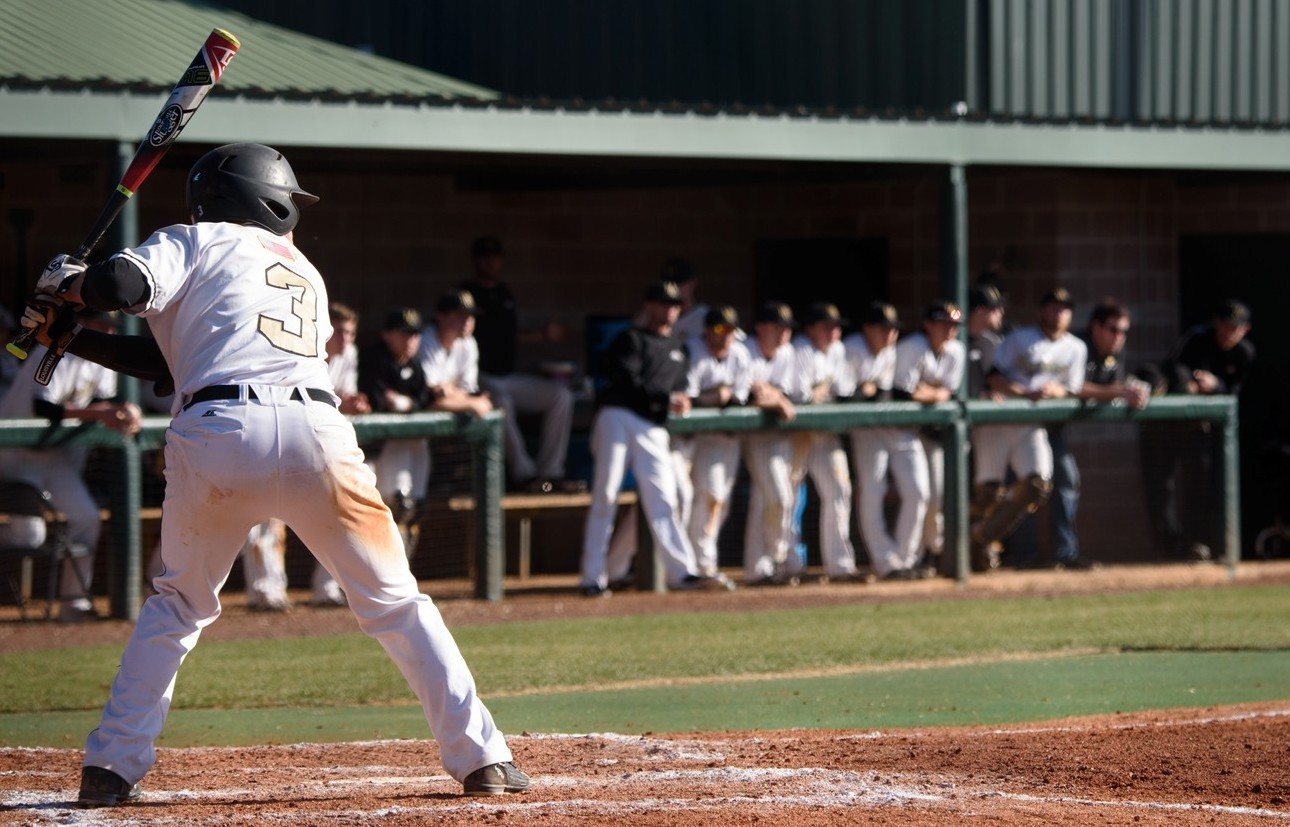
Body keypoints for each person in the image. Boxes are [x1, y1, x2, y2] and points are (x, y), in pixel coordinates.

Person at [19, 143, 526, 805]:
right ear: (267, 197)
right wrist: (71, 336)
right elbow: (176, 359)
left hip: (218, 432)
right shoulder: (304, 270)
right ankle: (483, 758)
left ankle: (110, 766)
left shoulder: (192, 238)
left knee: (178, 604)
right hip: (319, 434)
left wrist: (71, 286)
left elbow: (120, 289)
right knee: (397, 602)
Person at [579, 279, 728, 597]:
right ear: (649, 305)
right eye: (663, 304)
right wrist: (665, 397)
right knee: (606, 494)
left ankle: (681, 572)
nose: (669, 311)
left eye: (675, 305)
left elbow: (681, 390)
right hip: (617, 416)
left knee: (665, 497)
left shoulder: (678, 348)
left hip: (652, 425)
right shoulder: (630, 339)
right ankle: (592, 577)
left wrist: (682, 400)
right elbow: (626, 381)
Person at [0, 308, 142, 622]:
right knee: (29, 536)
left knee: (86, 517)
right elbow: (44, 407)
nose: (108, 333)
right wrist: (102, 413)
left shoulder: (102, 361)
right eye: (100, 326)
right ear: (82, 324)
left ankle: (73, 603)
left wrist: (121, 409)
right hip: (14, 453)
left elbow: (97, 403)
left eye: (111, 328)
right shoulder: (54, 350)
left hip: (51, 457)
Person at [972, 288, 1087, 570]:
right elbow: (994, 377)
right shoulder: (1017, 339)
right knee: (988, 492)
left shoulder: (1075, 347)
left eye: (1064, 308)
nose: (1058, 313)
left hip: (1030, 423)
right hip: (998, 420)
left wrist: (1055, 392)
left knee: (1038, 486)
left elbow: (1072, 389)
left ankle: (982, 537)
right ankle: (974, 549)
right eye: (1052, 307)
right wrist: (1023, 392)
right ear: (1041, 311)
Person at [460, 235, 578, 493]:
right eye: (486, 258)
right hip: (480, 376)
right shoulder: (467, 295)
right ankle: (525, 474)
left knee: (561, 396)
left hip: (508, 374)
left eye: (495, 257)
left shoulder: (504, 293)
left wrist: (544, 335)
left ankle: (551, 472)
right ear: (477, 260)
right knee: (502, 403)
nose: (491, 263)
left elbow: (509, 334)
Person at [1140, 299, 1255, 562]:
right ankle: (1169, 546)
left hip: (1202, 430)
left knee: (1201, 483)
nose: (1229, 333)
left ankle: (1198, 542)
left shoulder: (1244, 353)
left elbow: (1233, 396)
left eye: (1236, 328)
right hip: (1168, 427)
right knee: (1162, 485)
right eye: (1226, 326)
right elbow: (1174, 370)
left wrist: (1214, 386)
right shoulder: (1197, 339)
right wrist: (1188, 384)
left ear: (1245, 329)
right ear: (1216, 323)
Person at [1039, 299, 1150, 571]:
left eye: (1123, 332)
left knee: (1061, 482)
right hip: (1033, 423)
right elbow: (1072, 387)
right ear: (1095, 327)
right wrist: (1118, 391)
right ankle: (1024, 556)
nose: (1118, 337)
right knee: (1030, 487)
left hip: (1055, 428)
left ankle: (1063, 554)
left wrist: (1131, 389)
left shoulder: (1114, 355)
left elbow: (1111, 386)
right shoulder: (1075, 347)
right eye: (1113, 329)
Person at [890, 300, 966, 576]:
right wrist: (937, 394)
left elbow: (950, 393)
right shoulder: (912, 347)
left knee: (936, 496)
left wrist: (930, 393)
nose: (950, 330)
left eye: (954, 325)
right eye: (944, 324)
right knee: (918, 494)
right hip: (904, 430)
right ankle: (909, 558)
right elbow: (904, 394)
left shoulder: (957, 350)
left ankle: (932, 552)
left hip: (933, 432)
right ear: (928, 324)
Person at [788, 302, 863, 582]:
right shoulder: (801, 349)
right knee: (789, 497)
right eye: (827, 327)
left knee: (840, 490)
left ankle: (840, 566)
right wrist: (820, 393)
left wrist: (822, 392)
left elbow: (844, 391)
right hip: (797, 432)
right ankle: (790, 567)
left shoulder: (838, 349)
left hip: (825, 433)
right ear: (810, 329)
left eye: (836, 326)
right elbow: (803, 397)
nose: (834, 332)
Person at [682, 305, 751, 581]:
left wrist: (720, 396)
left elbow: (740, 396)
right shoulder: (693, 351)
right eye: (720, 330)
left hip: (728, 437)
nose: (725, 337)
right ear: (707, 331)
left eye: (730, 331)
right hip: (695, 437)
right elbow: (691, 398)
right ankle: (701, 565)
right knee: (706, 496)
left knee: (720, 502)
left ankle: (699, 564)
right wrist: (716, 396)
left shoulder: (741, 354)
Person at [360, 307, 435, 557]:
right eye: (404, 334)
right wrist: (404, 402)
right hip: (368, 450)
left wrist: (403, 403)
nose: (411, 340)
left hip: (404, 447)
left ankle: (399, 570)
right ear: (386, 335)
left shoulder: (414, 364)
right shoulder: (374, 359)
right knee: (366, 512)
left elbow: (425, 398)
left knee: (409, 508)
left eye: (414, 335)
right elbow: (378, 399)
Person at [740, 301, 801, 586]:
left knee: (771, 497)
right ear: (761, 327)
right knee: (776, 496)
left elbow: (784, 392)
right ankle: (773, 559)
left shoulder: (787, 352)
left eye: (787, 327)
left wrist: (774, 395)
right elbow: (752, 395)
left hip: (772, 434)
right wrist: (777, 399)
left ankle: (762, 567)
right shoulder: (745, 349)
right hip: (737, 433)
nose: (784, 333)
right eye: (777, 326)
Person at [842, 301, 904, 581]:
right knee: (871, 489)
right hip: (853, 429)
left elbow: (884, 392)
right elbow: (843, 398)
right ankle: (882, 559)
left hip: (883, 426)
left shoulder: (890, 351)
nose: (890, 335)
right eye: (883, 329)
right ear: (867, 329)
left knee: (915, 491)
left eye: (893, 330)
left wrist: (869, 391)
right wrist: (861, 392)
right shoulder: (852, 348)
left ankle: (899, 559)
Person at [664, 257, 709, 344]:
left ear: (693, 283)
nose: (675, 289)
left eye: (680, 283)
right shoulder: (656, 316)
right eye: (670, 285)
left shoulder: (705, 316)